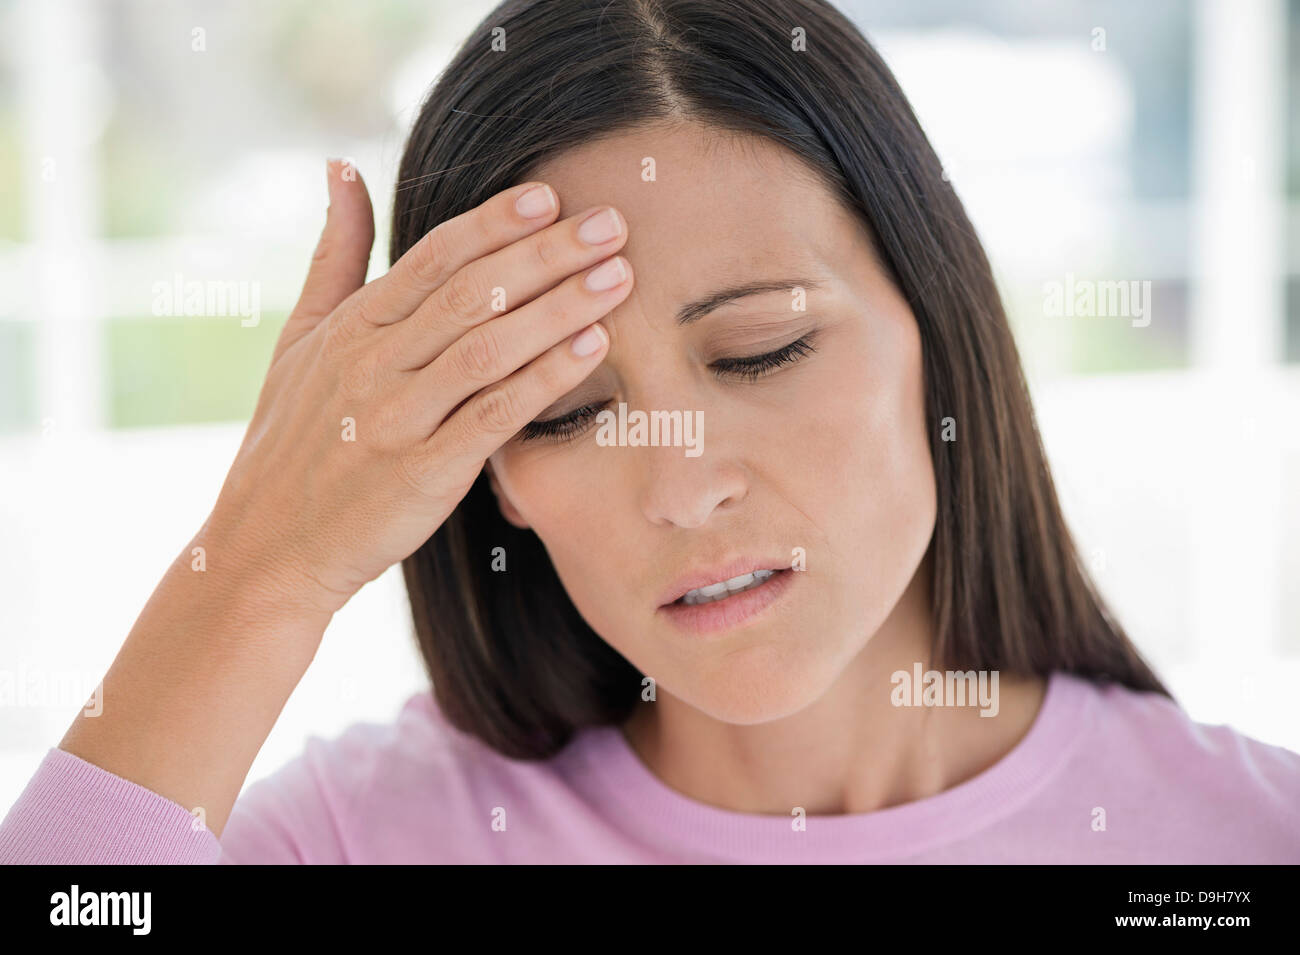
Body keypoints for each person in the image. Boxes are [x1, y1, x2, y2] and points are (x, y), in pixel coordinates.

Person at [2, 0, 1297, 864]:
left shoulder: (1242, 840)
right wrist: (260, 568)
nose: (681, 484)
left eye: (763, 349)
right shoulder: (360, 839)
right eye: (561, 413)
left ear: (938, 333)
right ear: (491, 478)